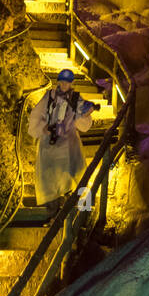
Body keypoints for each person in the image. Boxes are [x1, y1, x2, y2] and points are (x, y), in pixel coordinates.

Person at [26, 69, 95, 213]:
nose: (64, 85)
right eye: (62, 82)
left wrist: (84, 114)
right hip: (50, 145)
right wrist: (42, 128)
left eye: (67, 82)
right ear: (58, 82)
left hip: (70, 144)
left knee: (79, 174)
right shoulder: (49, 96)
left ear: (72, 83)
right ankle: (53, 216)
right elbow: (35, 116)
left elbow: (84, 125)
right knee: (50, 182)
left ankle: (85, 210)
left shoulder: (76, 98)